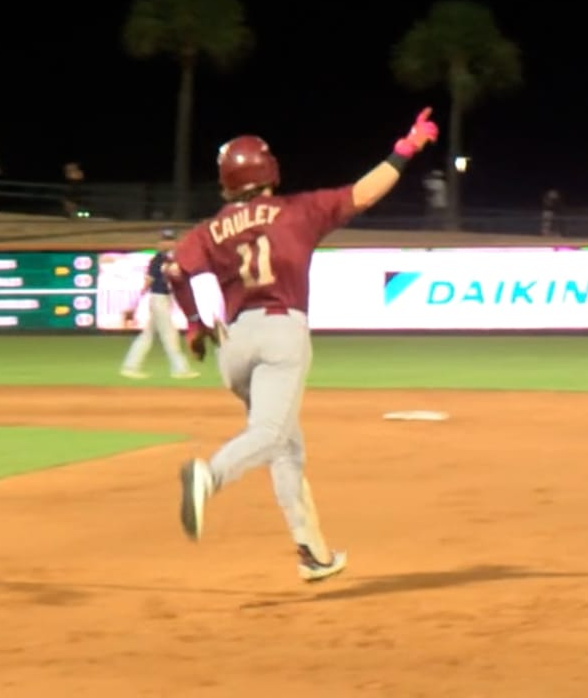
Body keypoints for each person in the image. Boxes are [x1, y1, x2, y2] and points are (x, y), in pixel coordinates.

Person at [164, 108, 439, 582]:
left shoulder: (209, 230)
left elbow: (174, 271)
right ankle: (209, 477)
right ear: (268, 172)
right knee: (270, 434)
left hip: (234, 347)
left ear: (228, 181)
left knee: (286, 447)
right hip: (280, 332)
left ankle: (312, 553)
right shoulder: (297, 211)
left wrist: (192, 323)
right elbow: (363, 192)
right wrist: (406, 147)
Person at [118, 228, 198, 380]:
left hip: (167, 299)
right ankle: (180, 369)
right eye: (165, 240)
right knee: (169, 334)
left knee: (147, 335)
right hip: (158, 298)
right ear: (160, 242)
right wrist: (134, 304)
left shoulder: (175, 259)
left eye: (171, 239)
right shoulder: (157, 260)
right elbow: (148, 282)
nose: (168, 243)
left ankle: (130, 366)